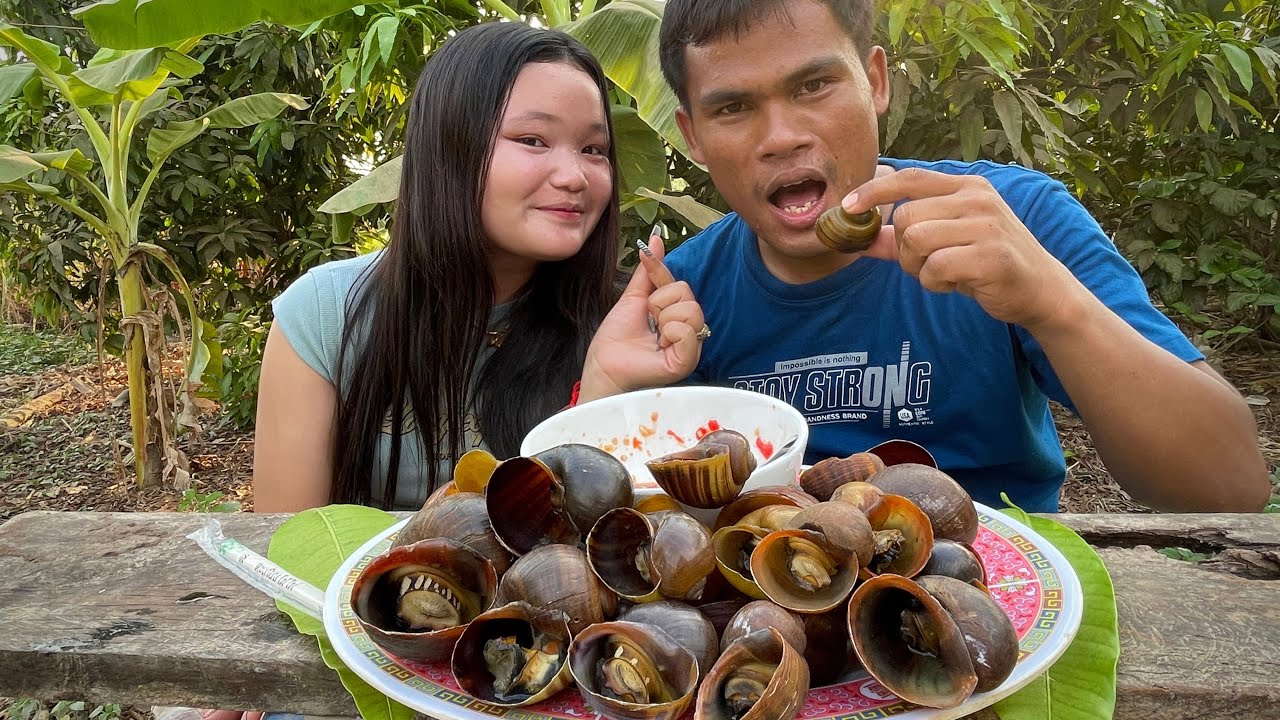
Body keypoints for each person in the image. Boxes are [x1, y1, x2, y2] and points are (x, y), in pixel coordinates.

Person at [576, 0, 1271, 513]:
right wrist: (609, 387)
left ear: (875, 81)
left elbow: (1231, 487)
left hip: (1004, 601)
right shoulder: (685, 299)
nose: (781, 136)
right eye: (734, 109)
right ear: (692, 137)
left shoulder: (1011, 221)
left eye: (814, 86)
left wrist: (1052, 304)